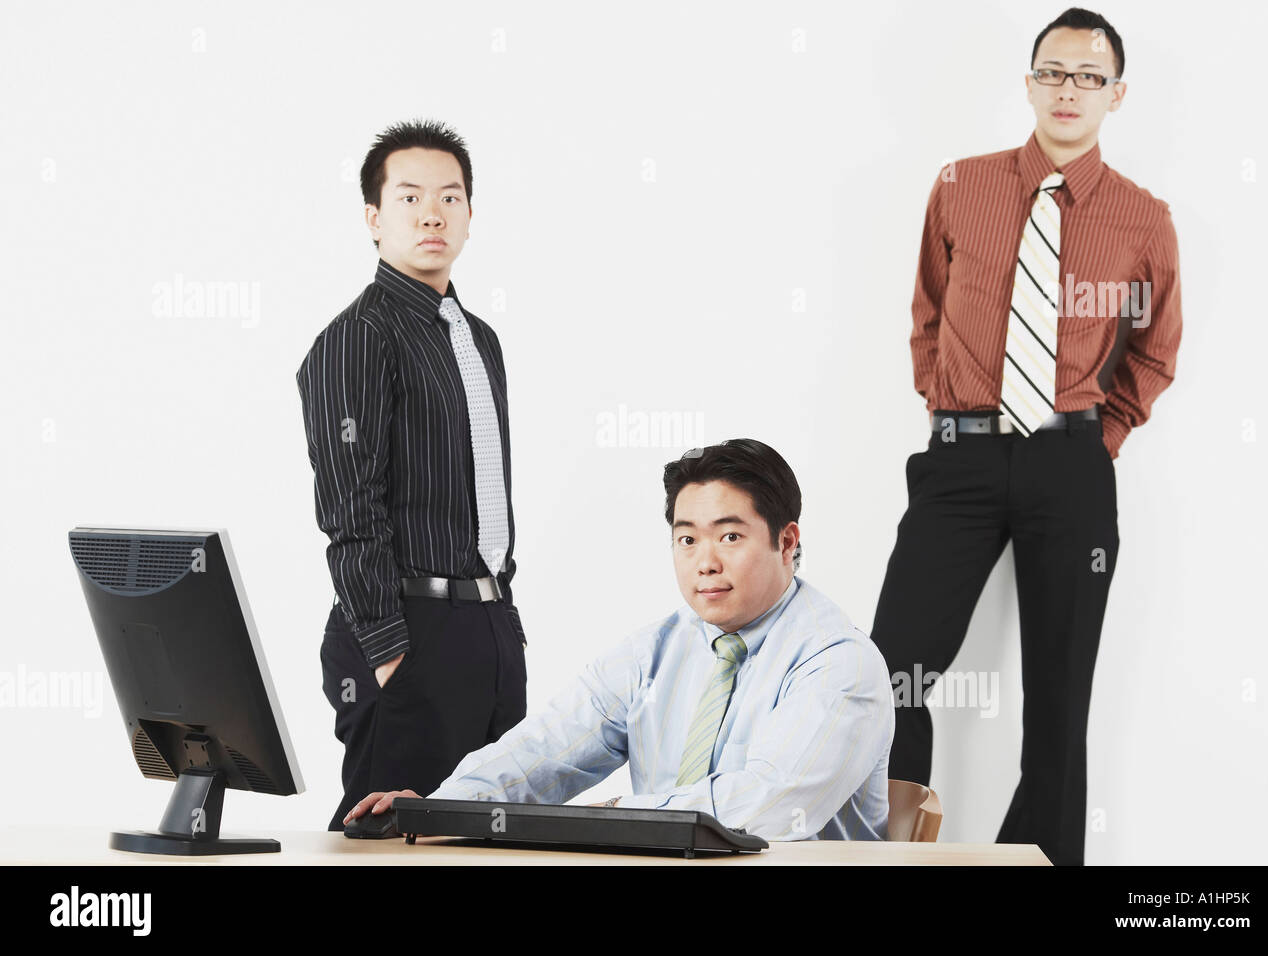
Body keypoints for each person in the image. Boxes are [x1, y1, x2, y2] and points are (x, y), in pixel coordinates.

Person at [869, 8, 1182, 865]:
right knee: (890, 670)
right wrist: (948, 410)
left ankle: (1034, 862)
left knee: (1059, 695)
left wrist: (1097, 439)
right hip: (960, 458)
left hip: (1071, 465)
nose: (1070, 90)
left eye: (1090, 76)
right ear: (1029, 81)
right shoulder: (961, 183)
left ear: (1117, 95)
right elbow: (928, 310)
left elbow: (1154, 350)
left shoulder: (1143, 218)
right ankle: (884, 850)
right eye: (1054, 71)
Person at [346, 440, 893, 840]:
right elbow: (545, 751)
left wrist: (620, 814)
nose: (705, 562)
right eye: (686, 539)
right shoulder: (654, 651)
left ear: (787, 540)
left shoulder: (839, 664)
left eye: (730, 536)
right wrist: (439, 808)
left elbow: (770, 805)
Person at [296, 119, 527, 831]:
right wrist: (391, 656)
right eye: (411, 197)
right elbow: (349, 508)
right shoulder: (357, 336)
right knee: (391, 840)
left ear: (468, 215)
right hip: (403, 627)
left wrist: (499, 632)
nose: (433, 213)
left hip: (488, 627)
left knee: (491, 837)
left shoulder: (476, 336)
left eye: (451, 197)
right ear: (373, 216)